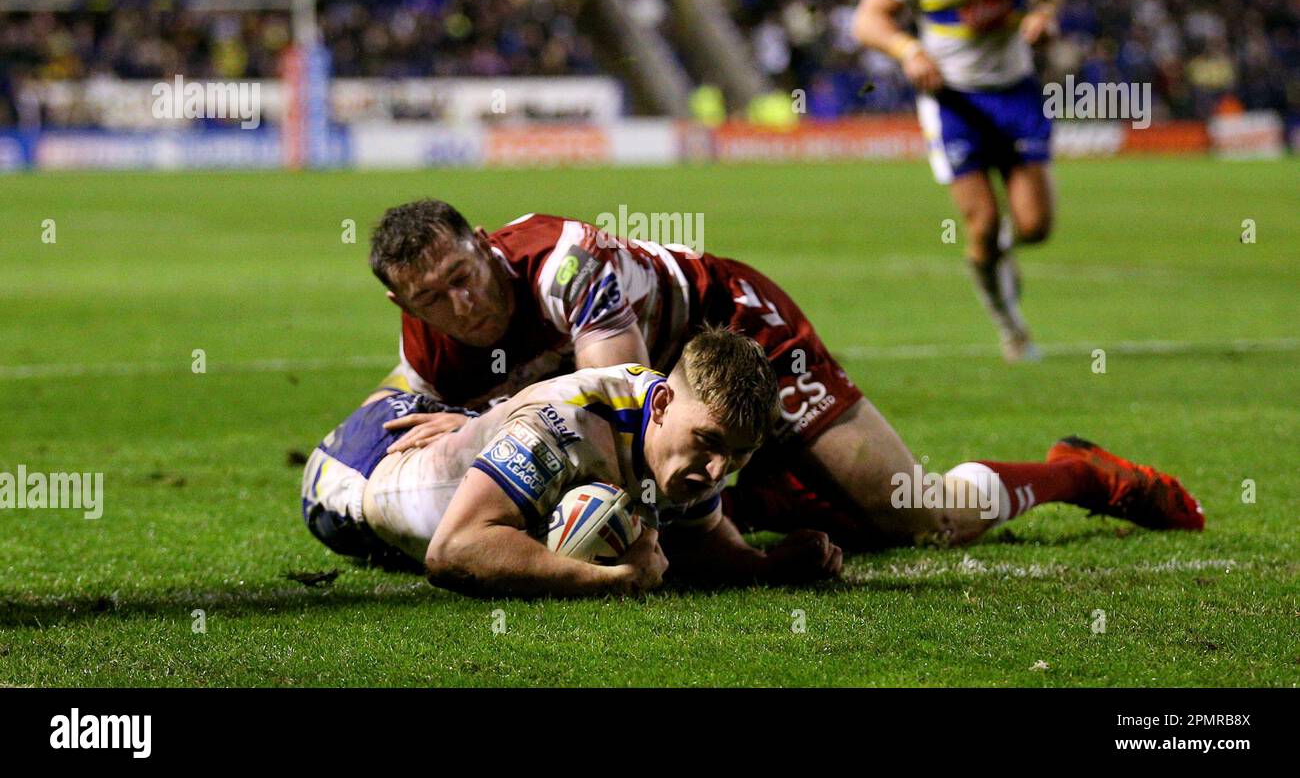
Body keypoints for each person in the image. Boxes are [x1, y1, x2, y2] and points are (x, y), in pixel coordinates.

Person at [361, 198, 1204, 553]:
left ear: (482, 243)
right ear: (407, 303)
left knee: (911, 514)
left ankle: (1078, 474)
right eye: (430, 299)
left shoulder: (565, 266)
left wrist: (483, 423)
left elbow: (616, 407)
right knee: (834, 530)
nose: (459, 305)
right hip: (675, 393)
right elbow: (386, 412)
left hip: (735, 329)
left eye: (462, 274)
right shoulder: (431, 335)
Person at [301, 328, 844, 597]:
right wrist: (610, 580)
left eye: (740, 453)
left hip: (466, 438)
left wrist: (767, 566)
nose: (719, 470)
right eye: (709, 442)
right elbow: (452, 552)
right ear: (660, 405)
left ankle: (474, 427)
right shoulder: (567, 430)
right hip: (359, 471)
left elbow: (704, 540)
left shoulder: (696, 438)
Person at [853, 0, 1064, 362]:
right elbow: (868, 20)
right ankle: (1010, 324)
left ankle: (995, 260)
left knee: (1035, 226)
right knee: (984, 221)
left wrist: (1044, 11)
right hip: (955, 100)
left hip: (1015, 91)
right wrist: (908, 51)